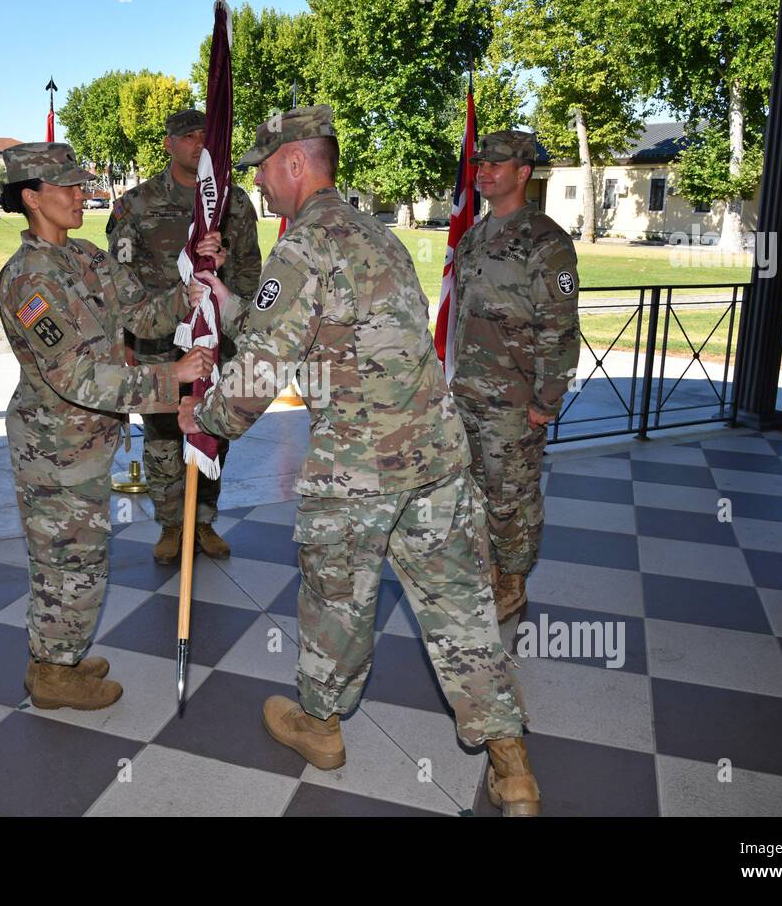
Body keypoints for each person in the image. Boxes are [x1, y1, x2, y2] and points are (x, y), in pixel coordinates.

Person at [181, 106, 540, 816]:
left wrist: (207, 421)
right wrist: (231, 304)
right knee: (462, 613)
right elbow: (321, 327)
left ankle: (320, 726)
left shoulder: (304, 245)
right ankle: (514, 767)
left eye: (263, 171)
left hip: (358, 468)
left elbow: (262, 370)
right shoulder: (378, 233)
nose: (260, 187)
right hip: (435, 456)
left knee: (337, 606)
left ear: (295, 164)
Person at [0, 142, 215, 711]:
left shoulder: (85, 256)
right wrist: (172, 380)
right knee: (66, 561)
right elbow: (75, 377)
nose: (80, 194)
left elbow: (141, 311)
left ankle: (59, 656)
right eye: (66, 187)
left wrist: (185, 294)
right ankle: (51, 672)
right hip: (54, 449)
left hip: (88, 441)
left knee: (83, 557)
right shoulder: (28, 281)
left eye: (80, 183)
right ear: (31, 198)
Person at [106, 108, 263, 565]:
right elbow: (118, 279)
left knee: (213, 425)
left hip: (214, 338)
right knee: (160, 434)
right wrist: (126, 342)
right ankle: (173, 524)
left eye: (204, 136)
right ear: (168, 144)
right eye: (188, 136)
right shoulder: (135, 205)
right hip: (157, 340)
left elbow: (250, 271)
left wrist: (241, 324)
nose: (198, 143)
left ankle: (204, 519)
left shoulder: (232, 204)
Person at [450, 130, 580, 625]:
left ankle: (514, 582)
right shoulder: (474, 237)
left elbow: (560, 327)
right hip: (469, 392)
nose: (483, 172)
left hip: (514, 399)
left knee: (513, 496)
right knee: (475, 490)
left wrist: (547, 400)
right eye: (480, 165)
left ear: (523, 173)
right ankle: (486, 571)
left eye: (495, 165)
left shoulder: (546, 242)